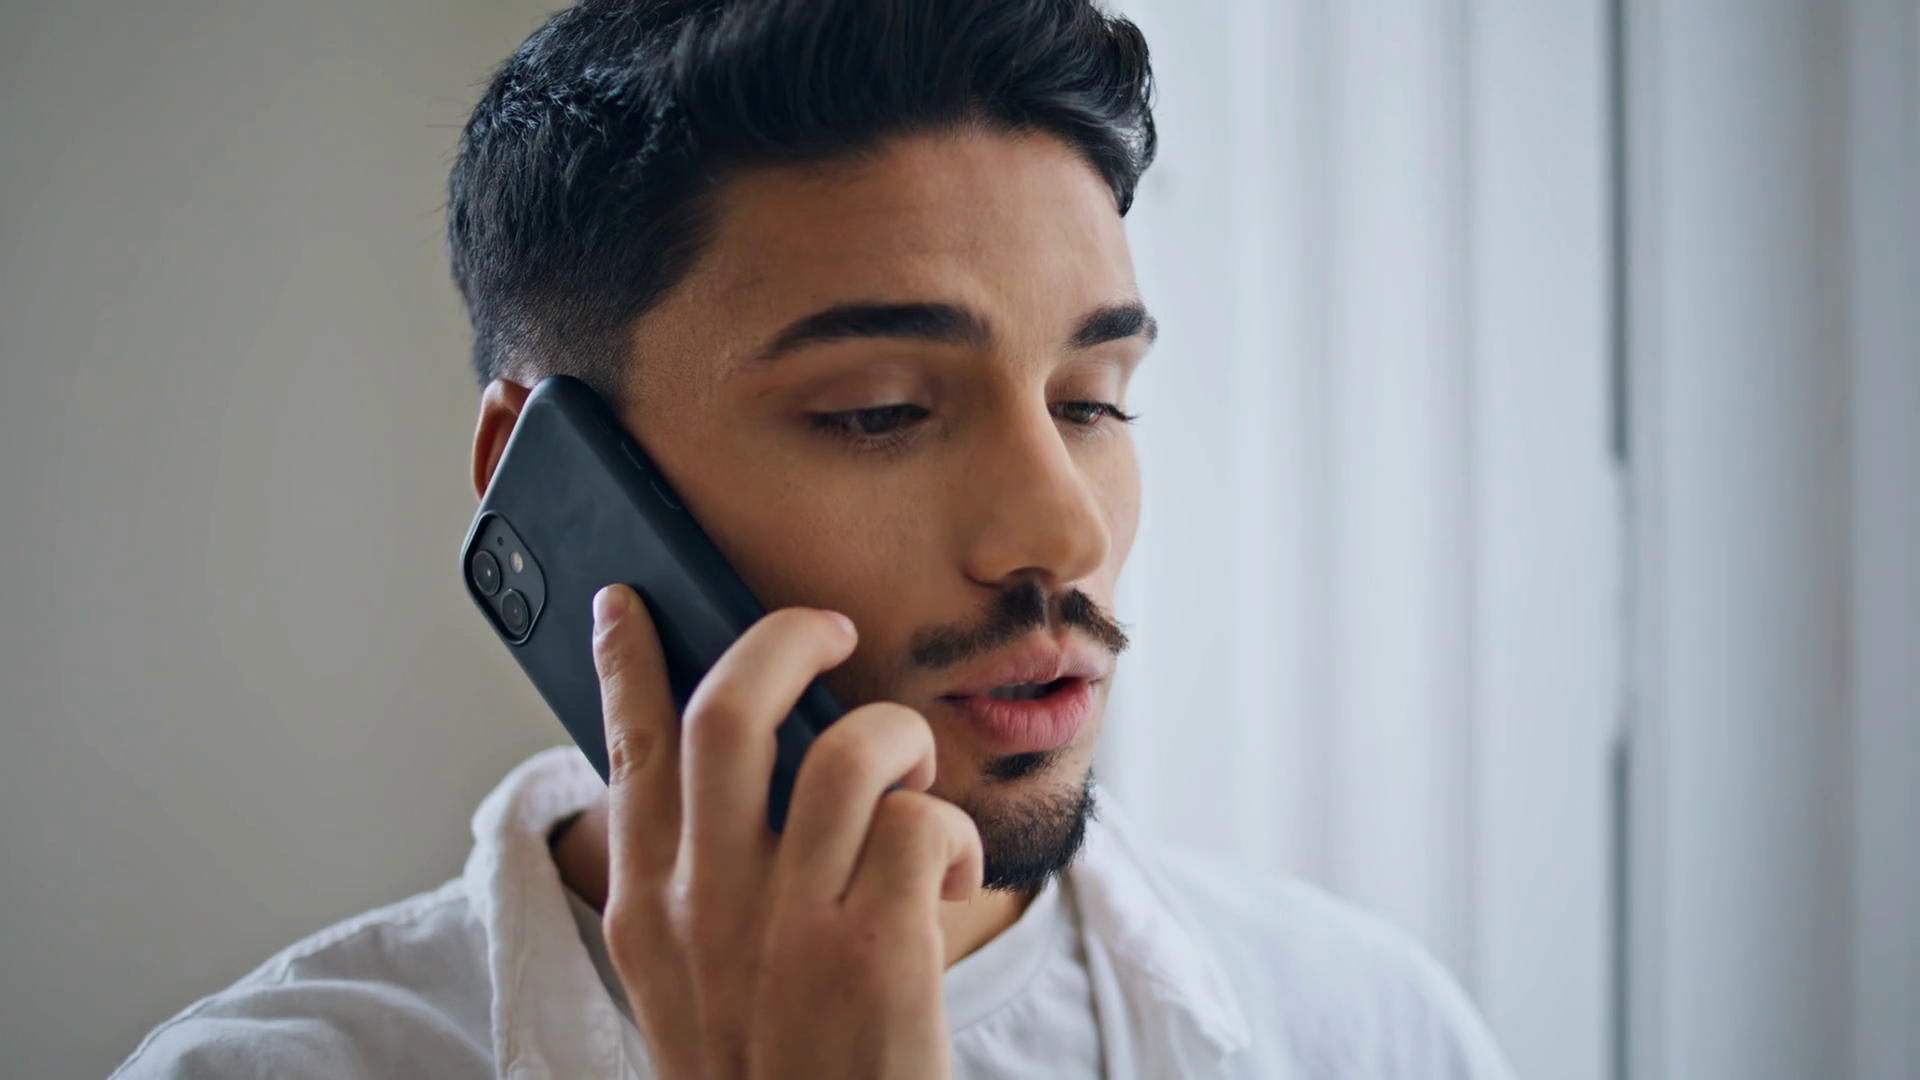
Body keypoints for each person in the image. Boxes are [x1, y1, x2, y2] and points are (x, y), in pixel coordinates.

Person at [115, 1, 1515, 1076]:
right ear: (541, 480)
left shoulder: (1369, 1026)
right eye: (880, 411)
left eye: (1092, 402)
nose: (1065, 526)